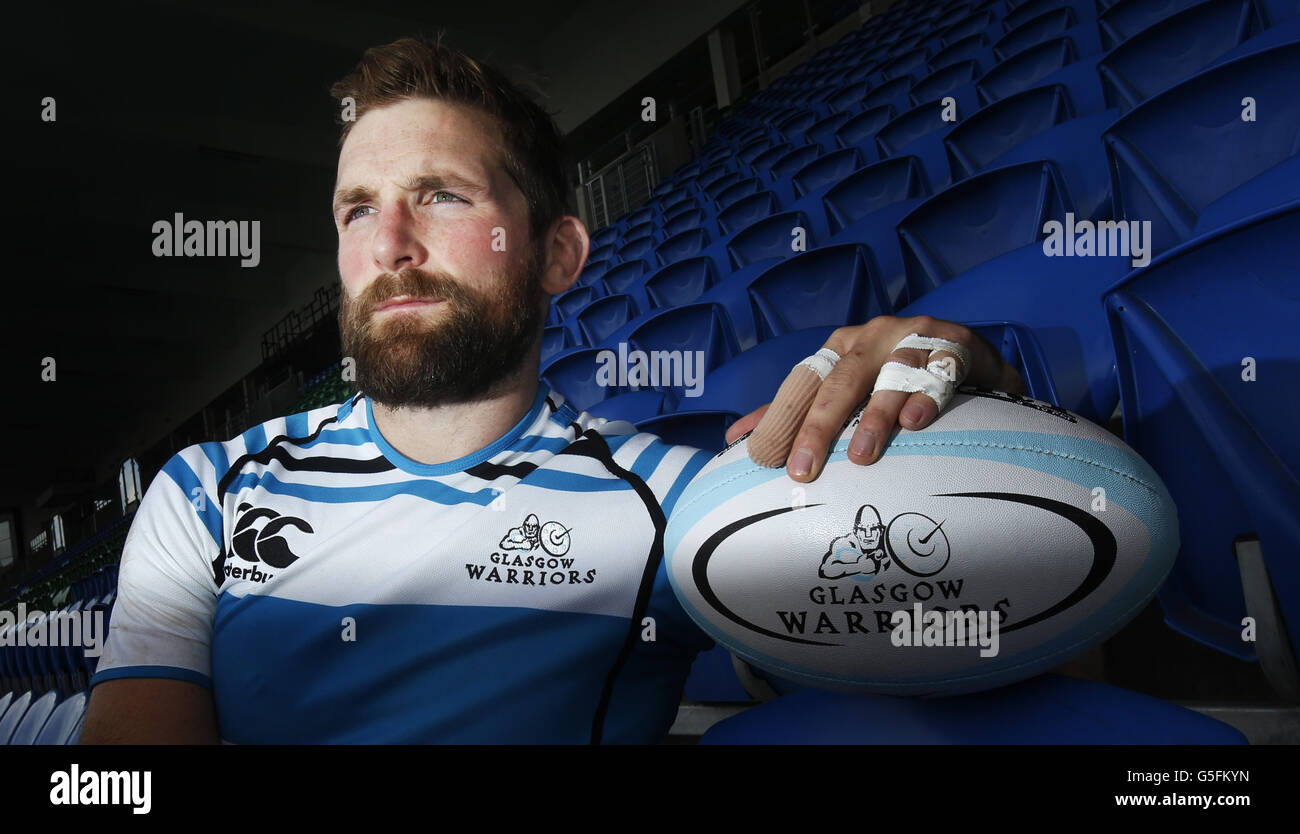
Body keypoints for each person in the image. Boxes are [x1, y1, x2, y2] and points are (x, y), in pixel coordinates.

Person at [80, 36, 1023, 743]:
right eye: (357, 208)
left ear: (557, 253)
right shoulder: (209, 490)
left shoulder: (679, 507)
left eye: (442, 195)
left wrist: (976, 404)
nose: (388, 243)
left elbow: (997, 650)